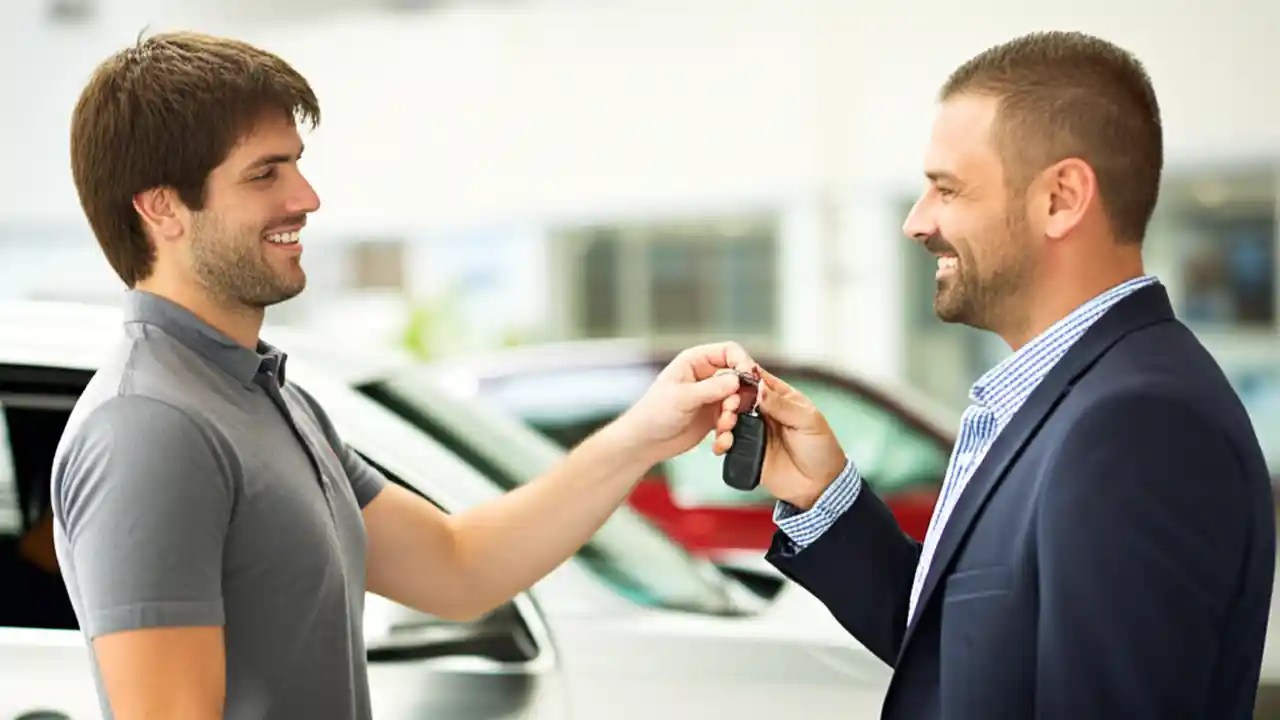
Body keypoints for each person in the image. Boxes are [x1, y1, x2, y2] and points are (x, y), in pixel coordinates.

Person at [53, 32, 755, 720]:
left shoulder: (270, 398)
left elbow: (459, 567)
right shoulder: (149, 427)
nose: (305, 196)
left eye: (295, 164)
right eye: (264, 173)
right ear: (161, 208)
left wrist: (644, 433)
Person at [712, 31, 1275, 719]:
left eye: (947, 189)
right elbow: (964, 656)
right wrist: (822, 493)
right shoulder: (1076, 398)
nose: (917, 224)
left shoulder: (1138, 426)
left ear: (1062, 198)